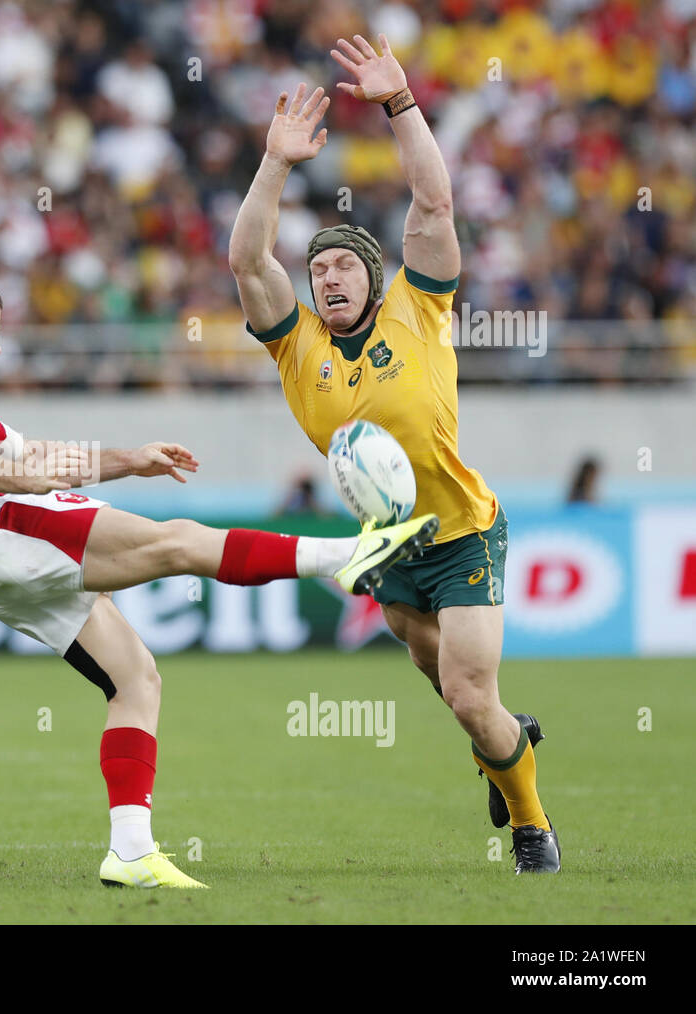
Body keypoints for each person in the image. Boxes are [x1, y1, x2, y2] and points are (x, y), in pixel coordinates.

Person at [0, 271, 437, 889]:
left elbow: (33, 457)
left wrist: (127, 460)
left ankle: (131, 852)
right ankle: (349, 558)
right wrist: (33, 487)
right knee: (177, 542)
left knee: (135, 677)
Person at [227, 35, 558, 873]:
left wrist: (400, 104)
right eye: (320, 269)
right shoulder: (296, 345)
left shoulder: (419, 309)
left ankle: (531, 827)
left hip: (462, 531)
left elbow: (435, 208)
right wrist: (274, 164)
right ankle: (505, 743)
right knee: (455, 694)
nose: (329, 277)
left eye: (344, 265)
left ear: (374, 278)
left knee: (466, 692)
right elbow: (245, 259)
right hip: (389, 548)